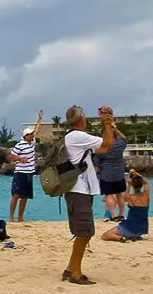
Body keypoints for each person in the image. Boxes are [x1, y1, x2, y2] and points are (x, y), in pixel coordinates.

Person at [61, 105, 115, 285]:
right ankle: (75, 272)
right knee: (85, 232)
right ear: (80, 120)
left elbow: (105, 148)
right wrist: (106, 120)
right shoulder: (77, 136)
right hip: (79, 189)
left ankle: (71, 268)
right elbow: (108, 143)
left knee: (82, 231)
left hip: (78, 189)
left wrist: (107, 123)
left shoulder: (72, 137)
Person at [7, 110, 43, 223]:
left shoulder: (32, 143)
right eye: (30, 134)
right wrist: (19, 159)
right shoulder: (20, 145)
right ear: (25, 136)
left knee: (25, 196)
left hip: (29, 172)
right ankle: (11, 217)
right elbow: (10, 155)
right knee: (16, 195)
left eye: (32, 134)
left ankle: (20, 218)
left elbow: (37, 130)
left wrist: (40, 119)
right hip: (20, 172)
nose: (33, 135)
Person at [101, 169, 150, 242]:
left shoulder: (130, 197)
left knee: (105, 235)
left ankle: (123, 238)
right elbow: (146, 182)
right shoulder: (146, 196)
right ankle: (133, 237)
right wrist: (136, 174)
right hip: (142, 229)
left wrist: (129, 184)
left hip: (130, 227)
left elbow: (124, 197)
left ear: (132, 185)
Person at [95, 117, 129, 221]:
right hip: (119, 173)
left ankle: (113, 215)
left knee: (109, 195)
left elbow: (97, 164)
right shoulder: (119, 144)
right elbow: (124, 139)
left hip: (106, 174)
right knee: (120, 195)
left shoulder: (100, 148)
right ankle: (121, 214)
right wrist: (115, 129)